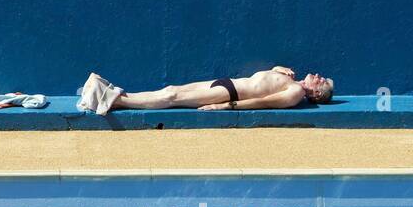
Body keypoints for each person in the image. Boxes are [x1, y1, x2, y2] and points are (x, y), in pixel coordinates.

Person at [78, 66, 333, 116]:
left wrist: (224, 107)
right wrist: (279, 68)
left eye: (322, 82)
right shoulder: (291, 78)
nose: (319, 76)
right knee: (171, 89)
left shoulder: (295, 93)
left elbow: (263, 101)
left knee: (171, 98)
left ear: (316, 94)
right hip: (227, 83)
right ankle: (116, 97)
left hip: (228, 95)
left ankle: (113, 101)